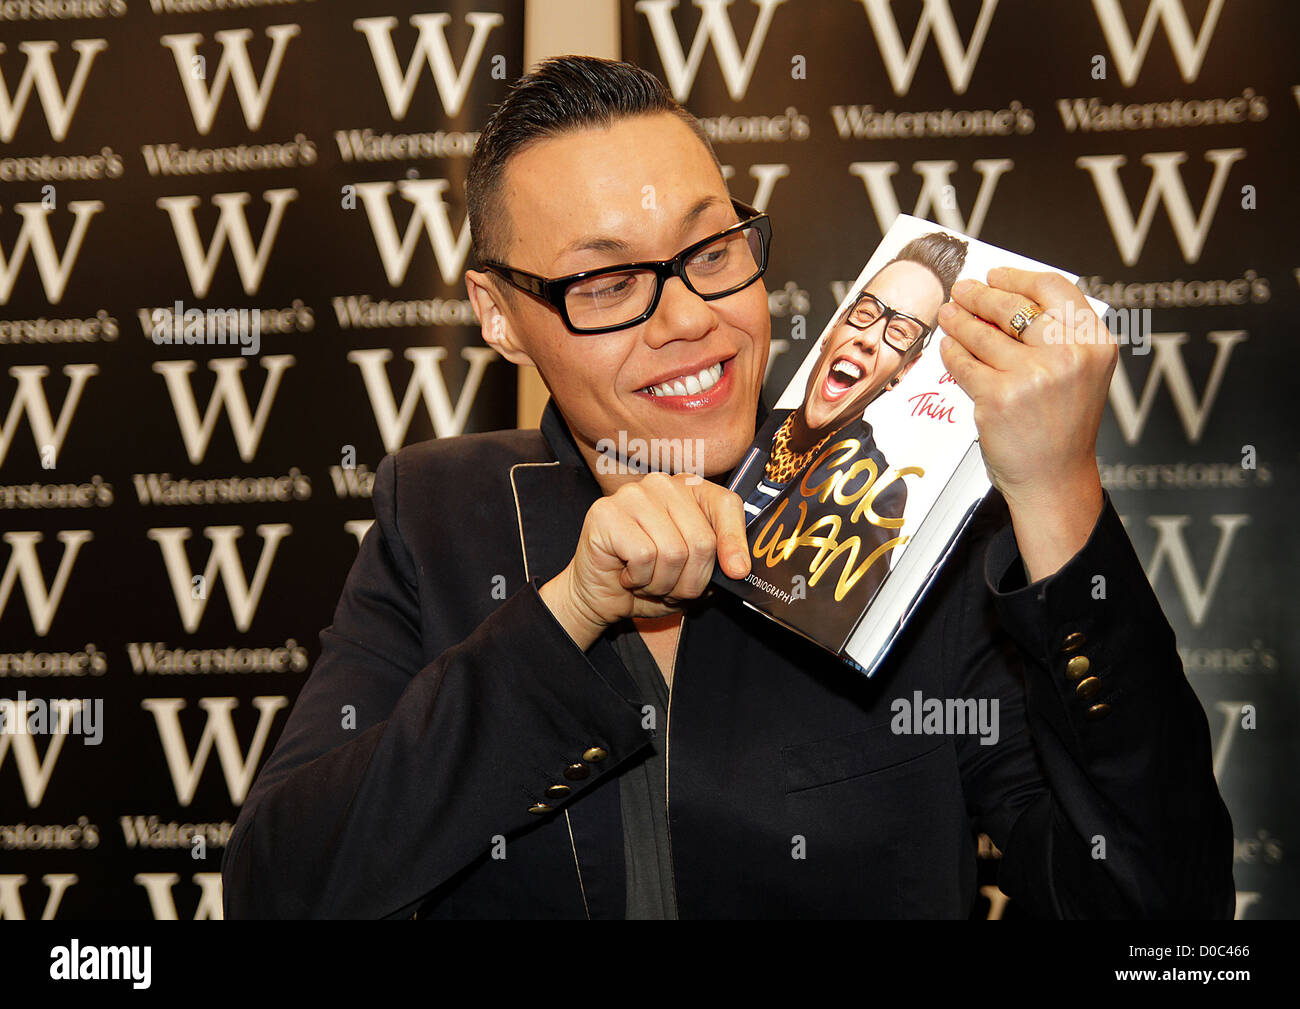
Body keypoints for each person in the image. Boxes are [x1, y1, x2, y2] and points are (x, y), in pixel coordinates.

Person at [221, 56, 1234, 919]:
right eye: (606, 282)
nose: (688, 320)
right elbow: (280, 888)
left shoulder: (910, 524)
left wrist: (1057, 491)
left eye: (711, 251)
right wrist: (568, 610)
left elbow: (1160, 909)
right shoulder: (438, 515)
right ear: (496, 313)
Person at [726, 234, 967, 644]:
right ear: (835, 324)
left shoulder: (875, 493)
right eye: (866, 312)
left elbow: (832, 640)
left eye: (901, 332)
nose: (870, 338)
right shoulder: (744, 432)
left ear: (905, 371)